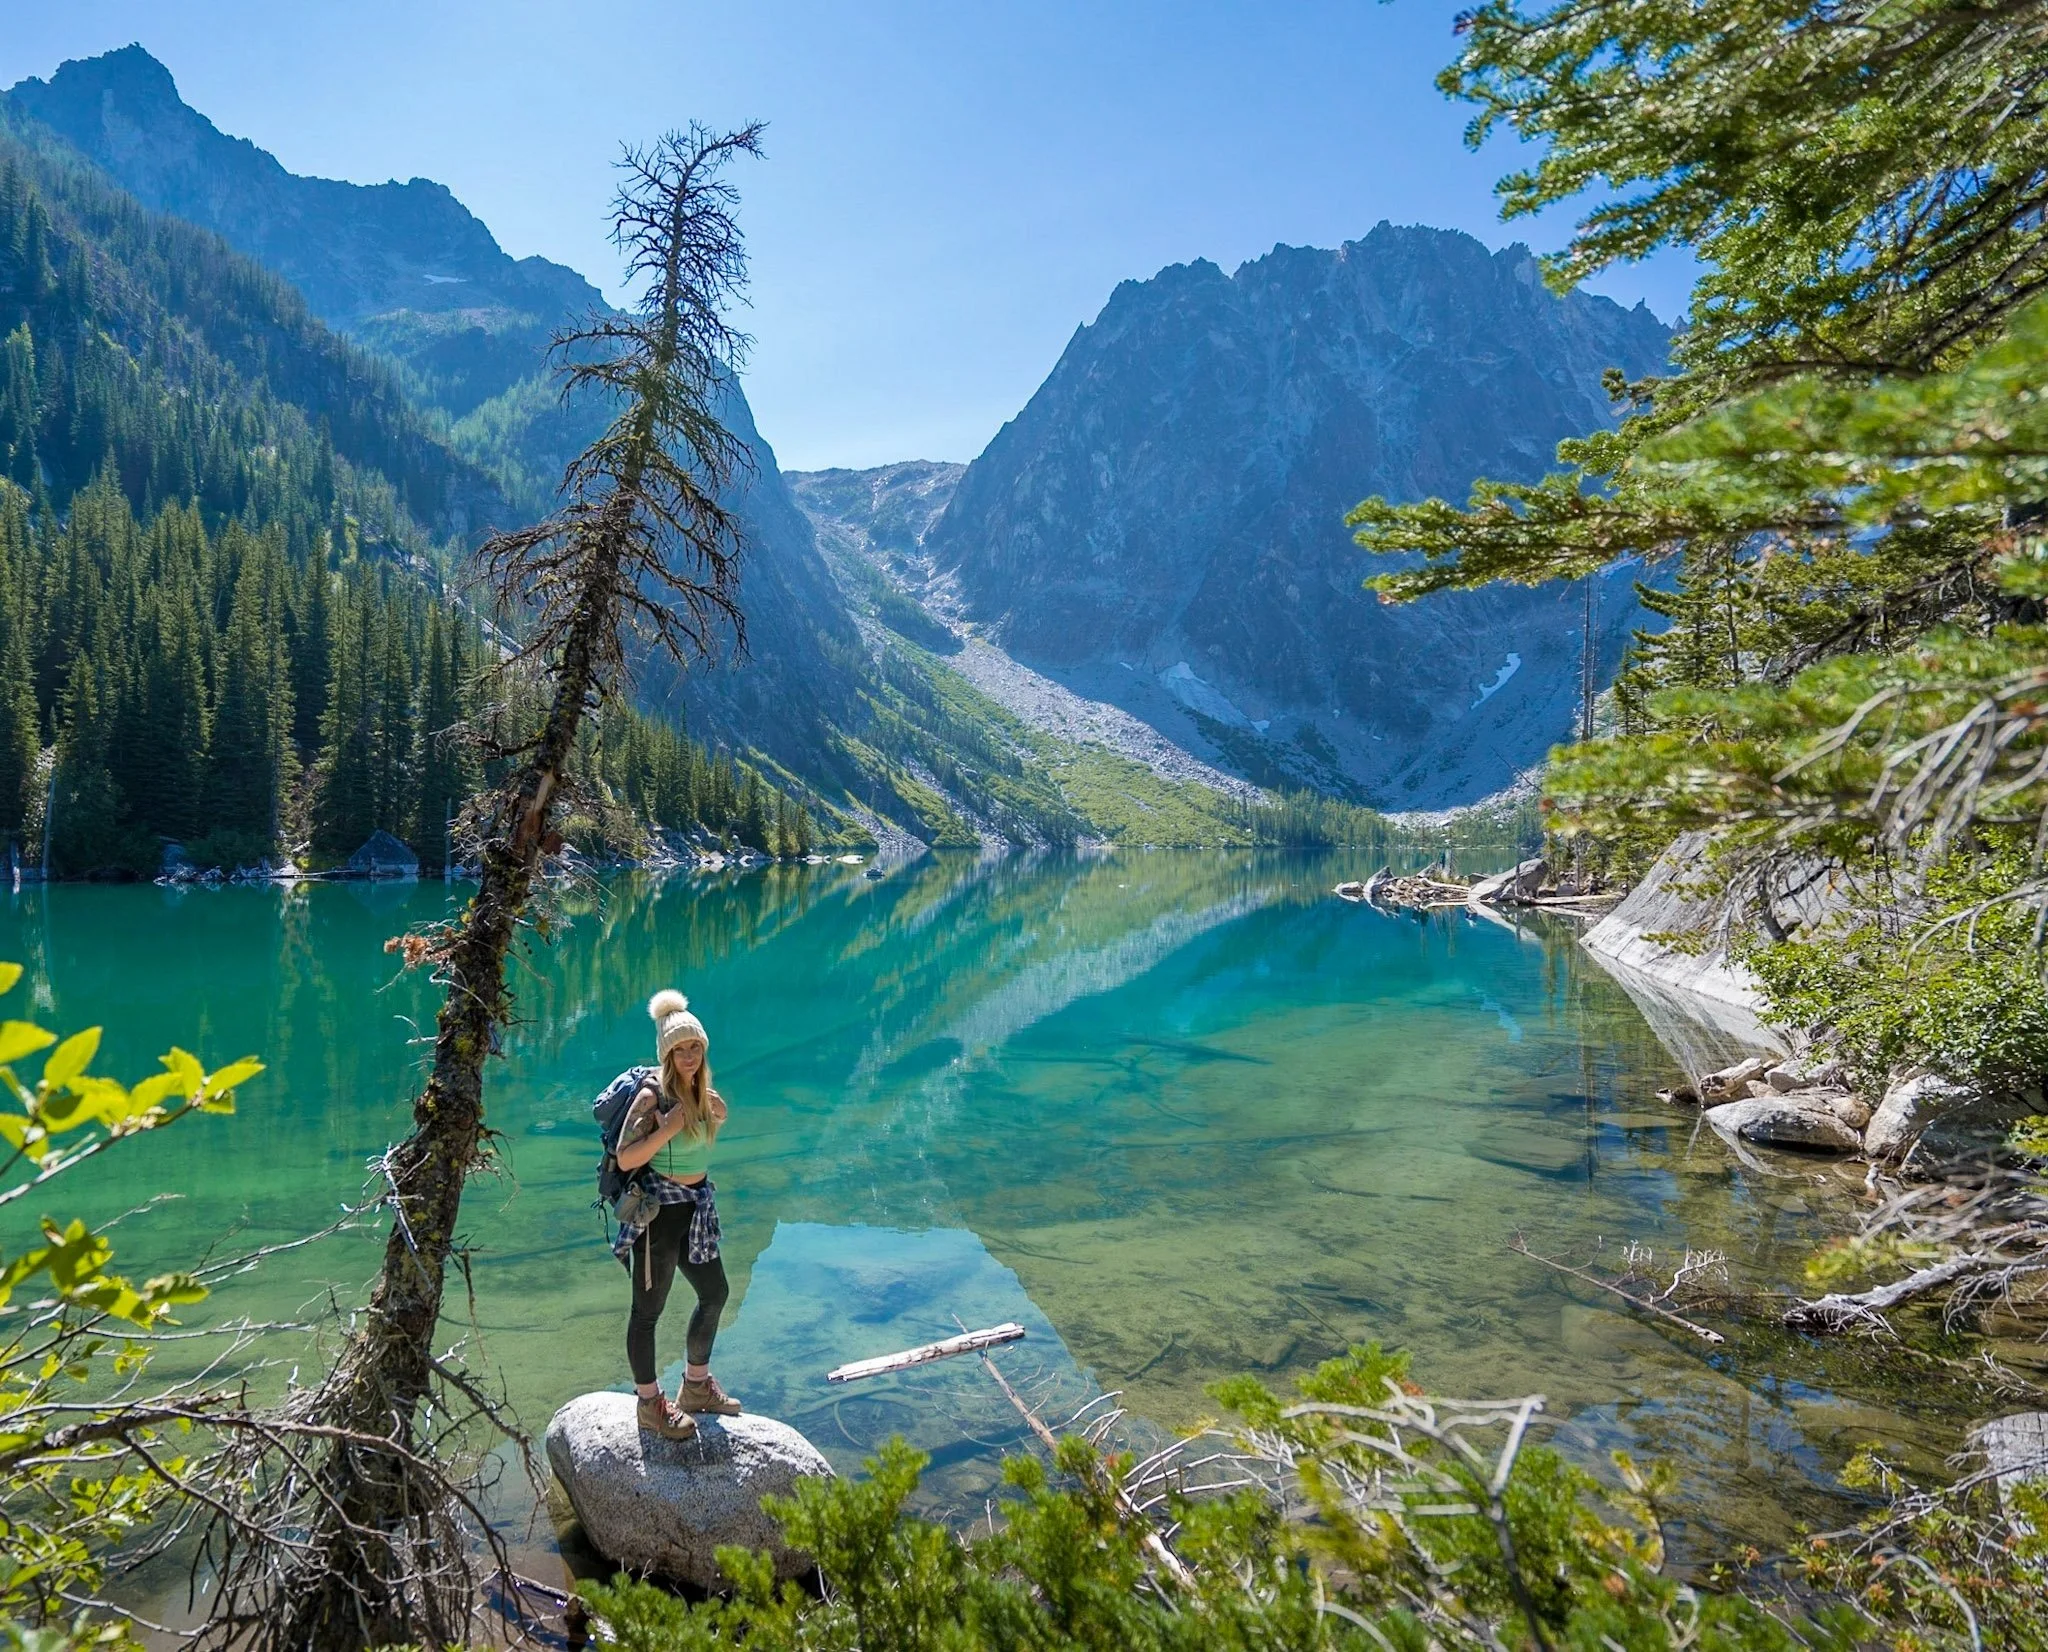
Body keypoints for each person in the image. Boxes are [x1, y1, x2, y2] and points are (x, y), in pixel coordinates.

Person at [612, 989, 743, 1440]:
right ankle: (649, 1404)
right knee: (647, 1312)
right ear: (666, 1054)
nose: (689, 1056)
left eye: (695, 1047)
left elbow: (710, 1127)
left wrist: (716, 1112)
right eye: (680, 1049)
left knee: (715, 1293)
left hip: (695, 1209)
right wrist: (666, 1130)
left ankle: (696, 1387)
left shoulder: (701, 1092)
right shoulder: (653, 1097)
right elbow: (626, 1157)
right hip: (659, 1215)